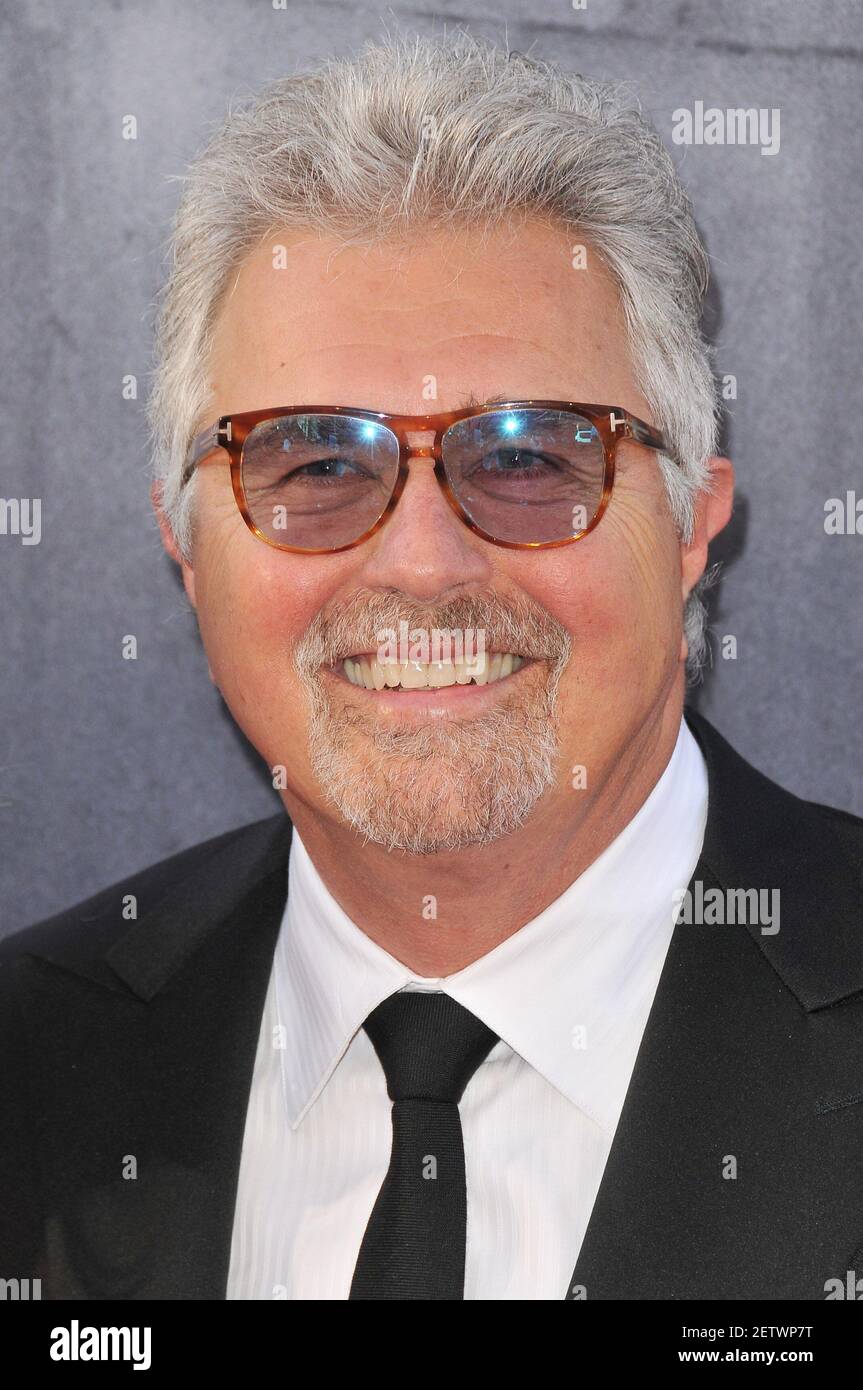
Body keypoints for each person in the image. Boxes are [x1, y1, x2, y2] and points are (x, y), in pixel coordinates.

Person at [1, 31, 860, 1302]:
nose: (421, 564)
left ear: (688, 526)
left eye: (527, 458)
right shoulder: (31, 1059)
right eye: (314, 463)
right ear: (186, 552)